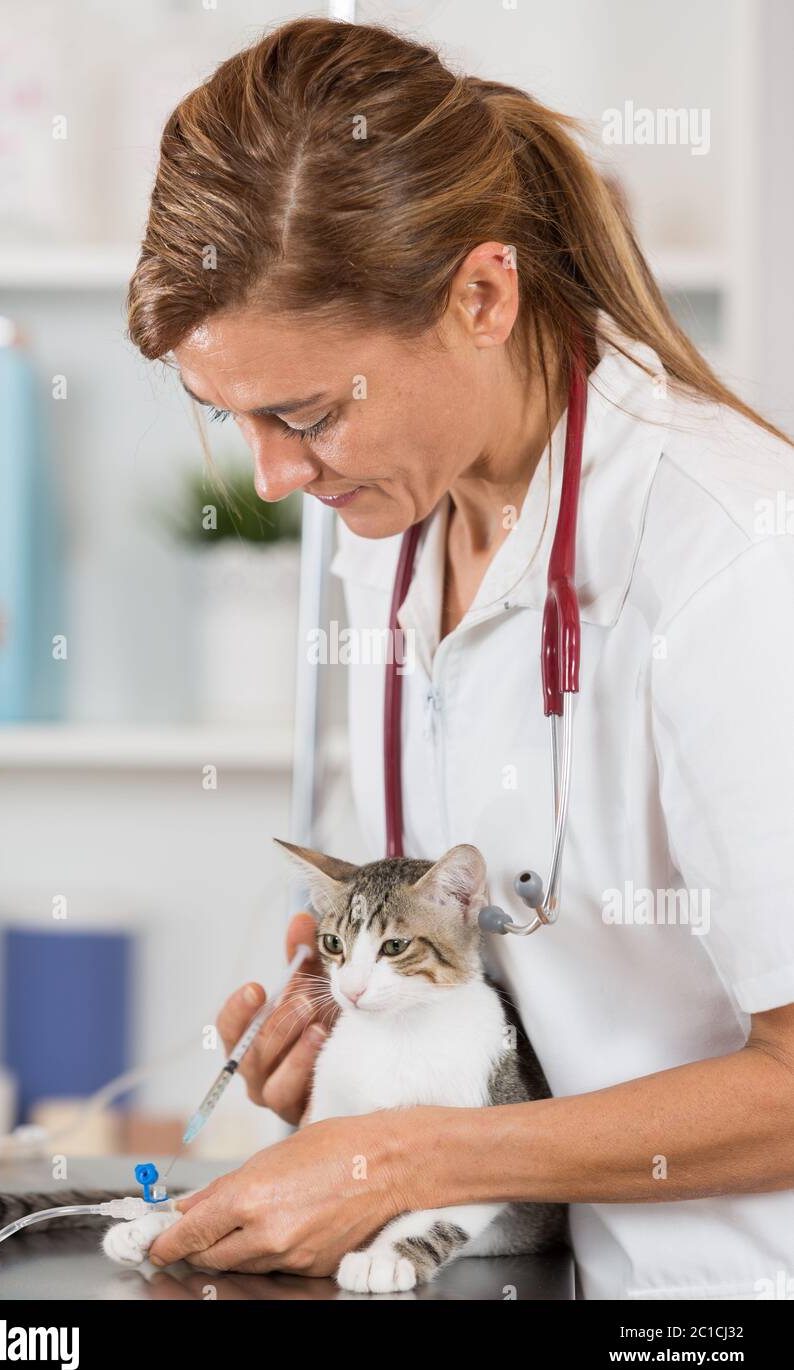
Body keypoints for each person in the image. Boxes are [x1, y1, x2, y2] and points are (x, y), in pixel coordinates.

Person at [126, 18, 794, 1298]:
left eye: (306, 413)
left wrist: (409, 1155)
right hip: (543, 1280)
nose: (273, 476)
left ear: (481, 296)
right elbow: (520, 966)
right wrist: (374, 1060)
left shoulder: (729, 554)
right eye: (232, 418)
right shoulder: (384, 521)